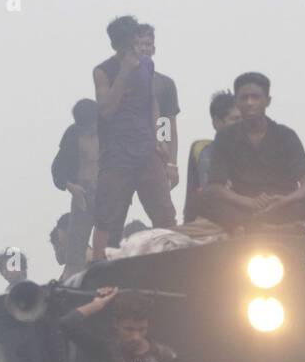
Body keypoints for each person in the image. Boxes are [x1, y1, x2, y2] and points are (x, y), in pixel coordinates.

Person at [192, 72, 305, 233]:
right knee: (201, 200)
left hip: (282, 208)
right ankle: (271, 229)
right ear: (237, 102)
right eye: (244, 98)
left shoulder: (286, 135)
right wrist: (248, 202)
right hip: (244, 208)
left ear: (267, 101)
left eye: (256, 97)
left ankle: (258, 228)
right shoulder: (225, 137)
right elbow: (215, 187)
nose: (250, 103)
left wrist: (284, 201)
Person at [91, 15, 177, 261]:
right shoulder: (103, 71)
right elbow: (106, 109)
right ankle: (100, 269)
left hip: (148, 150)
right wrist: (124, 72)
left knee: (164, 213)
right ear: (115, 45)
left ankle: (173, 260)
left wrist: (164, 147)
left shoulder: (149, 68)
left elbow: (156, 108)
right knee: (108, 219)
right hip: (116, 155)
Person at [51, 99, 99, 279]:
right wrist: (72, 188)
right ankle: (73, 283)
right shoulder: (73, 135)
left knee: (110, 242)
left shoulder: (110, 130)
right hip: (83, 193)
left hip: (107, 193)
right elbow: (57, 169)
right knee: (75, 249)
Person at [183, 91, 241, 223]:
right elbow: (192, 194)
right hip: (207, 222)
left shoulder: (254, 150)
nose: (241, 125)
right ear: (216, 122)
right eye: (235, 119)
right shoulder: (201, 150)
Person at [136, 24, 181, 192]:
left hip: (155, 153)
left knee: (164, 212)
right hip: (124, 155)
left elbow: (167, 124)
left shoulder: (164, 84)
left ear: (153, 48)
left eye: (147, 44)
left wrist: (171, 162)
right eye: (139, 44)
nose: (143, 48)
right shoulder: (119, 80)